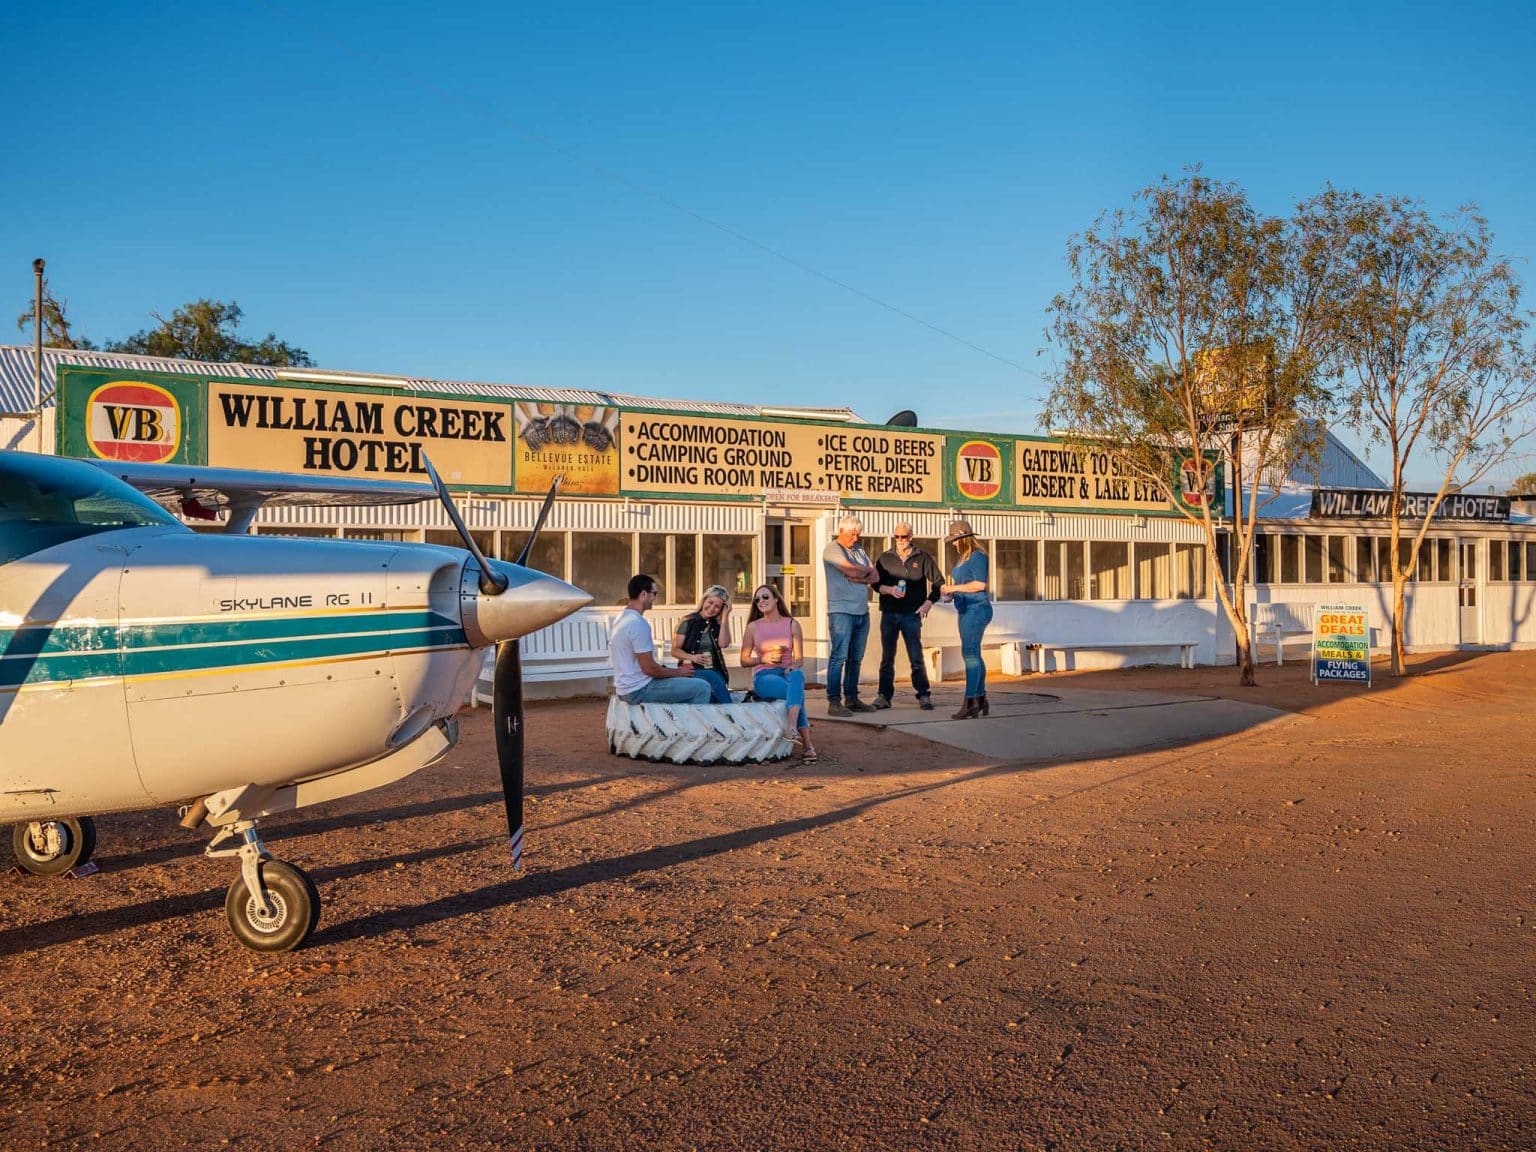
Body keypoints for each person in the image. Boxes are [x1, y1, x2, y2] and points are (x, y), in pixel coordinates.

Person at [740, 583, 817, 762]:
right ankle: (807, 744)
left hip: (787, 673)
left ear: (776, 598)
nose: (761, 601)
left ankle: (791, 728)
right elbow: (744, 660)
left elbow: (799, 659)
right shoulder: (753, 627)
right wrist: (763, 659)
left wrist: (792, 666)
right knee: (796, 693)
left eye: (765, 597)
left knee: (797, 676)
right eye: (757, 599)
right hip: (764, 676)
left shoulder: (792, 624)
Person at [872, 522, 944, 710]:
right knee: (887, 656)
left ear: (911, 537)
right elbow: (874, 583)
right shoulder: (885, 558)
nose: (900, 540)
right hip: (889, 613)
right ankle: (883, 696)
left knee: (915, 656)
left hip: (912, 614)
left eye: (904, 537)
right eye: (897, 536)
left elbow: (938, 582)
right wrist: (888, 589)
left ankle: (923, 694)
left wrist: (929, 602)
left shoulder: (922, 557)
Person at [610, 573, 712, 705]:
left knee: (685, 685)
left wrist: (668, 671)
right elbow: (650, 669)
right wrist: (678, 672)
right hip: (638, 690)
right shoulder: (638, 624)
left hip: (625, 688)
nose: (655, 598)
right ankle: (692, 725)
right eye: (654, 593)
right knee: (702, 688)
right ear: (643, 594)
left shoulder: (621, 618)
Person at [821, 513, 880, 716]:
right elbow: (855, 572)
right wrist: (860, 572)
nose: (856, 539)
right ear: (841, 531)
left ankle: (852, 698)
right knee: (839, 656)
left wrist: (859, 573)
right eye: (853, 535)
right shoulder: (832, 549)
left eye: (858, 535)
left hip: (861, 611)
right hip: (841, 611)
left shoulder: (859, 550)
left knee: (856, 658)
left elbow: (875, 575)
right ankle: (834, 701)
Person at [939, 520, 993, 719]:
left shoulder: (978, 556)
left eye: (955, 540)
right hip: (965, 608)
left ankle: (970, 701)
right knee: (974, 654)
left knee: (970, 654)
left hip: (976, 608)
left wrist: (953, 588)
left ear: (963, 538)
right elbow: (966, 583)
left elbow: (979, 584)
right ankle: (980, 699)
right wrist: (952, 593)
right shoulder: (964, 557)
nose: (953, 544)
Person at [671, 584, 734, 705]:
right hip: (692, 670)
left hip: (715, 671)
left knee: (712, 693)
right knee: (710, 683)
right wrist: (692, 657)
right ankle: (730, 711)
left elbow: (724, 643)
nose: (712, 608)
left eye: (717, 607)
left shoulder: (718, 624)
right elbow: (675, 651)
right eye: (710, 602)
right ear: (704, 600)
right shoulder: (687, 621)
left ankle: (726, 716)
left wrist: (725, 616)